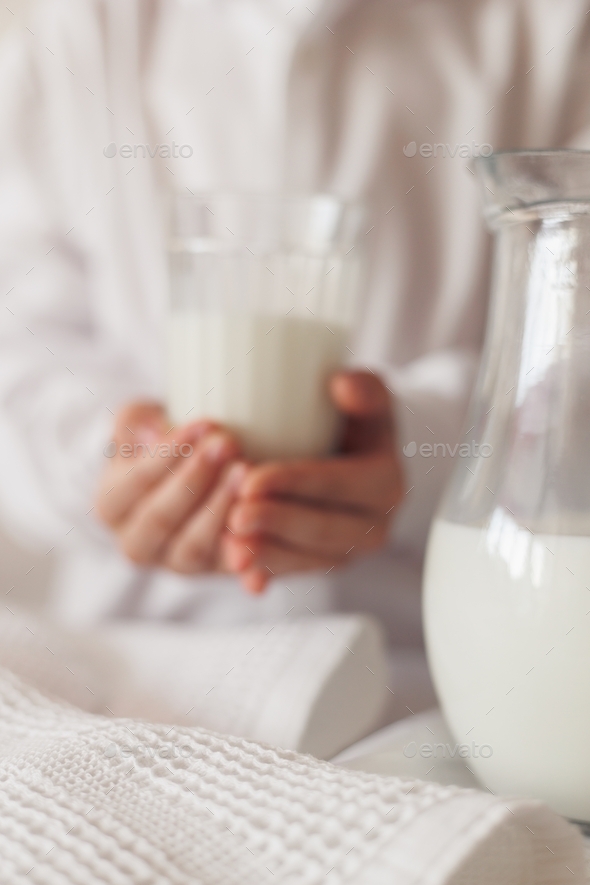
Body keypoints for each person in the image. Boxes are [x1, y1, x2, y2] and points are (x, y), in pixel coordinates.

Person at [0, 0, 588, 640]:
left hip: (436, 658)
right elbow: (20, 356)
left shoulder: (556, 33)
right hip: (137, 654)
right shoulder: (72, 41)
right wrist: (110, 461)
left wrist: (421, 446)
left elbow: (571, 358)